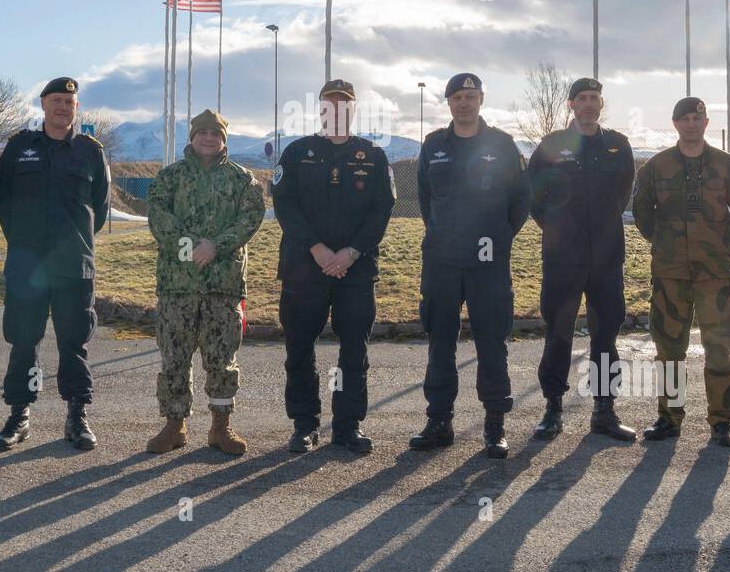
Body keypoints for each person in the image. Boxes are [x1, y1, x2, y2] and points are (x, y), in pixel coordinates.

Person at [272, 79, 395, 453]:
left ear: (353, 110)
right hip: (304, 267)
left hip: (355, 270)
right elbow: (284, 205)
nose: (336, 111)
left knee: (353, 351)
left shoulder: (373, 155)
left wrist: (351, 252)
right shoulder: (297, 152)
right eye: (329, 105)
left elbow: (382, 209)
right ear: (320, 110)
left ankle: (347, 425)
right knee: (299, 348)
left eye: (344, 105)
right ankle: (305, 424)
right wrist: (319, 249)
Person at [411, 73, 530, 459]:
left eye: (471, 96)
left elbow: (520, 201)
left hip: (487, 262)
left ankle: (494, 424)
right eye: (457, 97)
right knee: (440, 342)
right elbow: (426, 201)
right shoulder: (434, 145)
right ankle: (439, 421)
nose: (464, 103)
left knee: (491, 342)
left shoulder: (502, 144)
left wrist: (496, 236)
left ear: (481, 99)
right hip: (442, 261)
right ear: (448, 103)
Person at [0, 77, 110, 451]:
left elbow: (100, 208)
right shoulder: (20, 146)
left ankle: (76, 416)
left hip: (73, 265)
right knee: (24, 341)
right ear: (43, 105)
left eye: (69, 102)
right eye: (56, 100)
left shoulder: (90, 151)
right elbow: (5, 200)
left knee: (73, 342)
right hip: (28, 264)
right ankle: (20, 415)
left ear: (76, 108)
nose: (63, 107)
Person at [632, 97, 730, 447]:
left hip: (714, 272)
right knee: (669, 349)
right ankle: (669, 418)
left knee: (719, 347)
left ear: (705, 121)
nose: (690, 124)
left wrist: (721, 237)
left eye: (696, 118)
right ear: (675, 124)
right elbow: (642, 213)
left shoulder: (726, 165)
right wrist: (666, 241)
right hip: (670, 272)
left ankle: (721, 421)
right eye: (683, 119)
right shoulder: (656, 166)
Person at [146, 109, 265, 456]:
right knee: (174, 358)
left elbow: (250, 218)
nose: (209, 139)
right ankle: (174, 424)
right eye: (203, 133)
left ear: (224, 139)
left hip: (223, 286)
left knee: (222, 358)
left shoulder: (243, 181)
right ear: (192, 137)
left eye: (216, 134)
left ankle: (220, 426)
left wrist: (216, 246)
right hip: (177, 286)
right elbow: (159, 217)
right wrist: (192, 247)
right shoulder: (170, 178)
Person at [527, 76, 635, 442]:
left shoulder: (618, 147)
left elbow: (622, 197)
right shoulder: (551, 145)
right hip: (563, 258)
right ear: (570, 104)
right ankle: (552, 408)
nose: (589, 104)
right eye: (582, 98)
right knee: (559, 333)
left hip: (606, 258)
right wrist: (558, 230)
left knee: (606, 334)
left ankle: (604, 410)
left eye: (595, 98)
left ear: (601, 105)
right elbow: (534, 197)